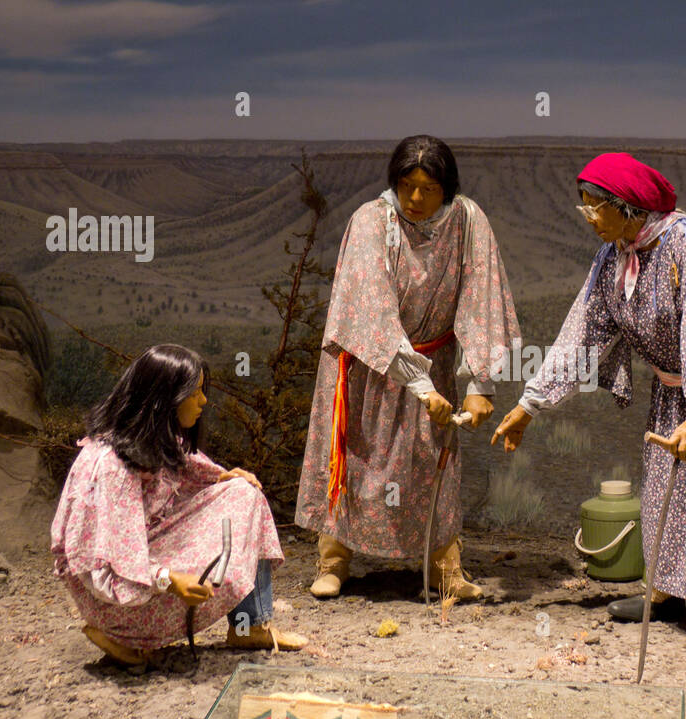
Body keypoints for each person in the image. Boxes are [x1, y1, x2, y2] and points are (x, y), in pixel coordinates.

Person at [491, 153, 686, 651]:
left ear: (631, 209)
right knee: (672, 483)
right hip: (678, 387)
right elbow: (582, 333)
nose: (590, 218)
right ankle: (664, 592)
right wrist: (529, 405)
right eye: (584, 208)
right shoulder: (614, 257)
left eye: (596, 207)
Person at [296, 135, 520, 601]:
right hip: (369, 365)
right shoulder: (371, 222)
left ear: (448, 189)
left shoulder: (468, 221)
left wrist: (480, 384)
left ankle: (444, 566)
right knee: (356, 459)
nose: (415, 199)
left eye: (429, 189)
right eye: (406, 185)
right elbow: (371, 310)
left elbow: (483, 298)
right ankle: (334, 557)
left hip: (433, 363)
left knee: (430, 462)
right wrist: (416, 382)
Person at [51, 344, 306, 665]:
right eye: (195, 392)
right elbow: (107, 567)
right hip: (117, 600)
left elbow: (187, 465)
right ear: (164, 399)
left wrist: (225, 476)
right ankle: (124, 636)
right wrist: (170, 580)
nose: (204, 401)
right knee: (221, 563)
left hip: (143, 557)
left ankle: (249, 626)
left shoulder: (151, 437)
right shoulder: (112, 467)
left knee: (244, 493)